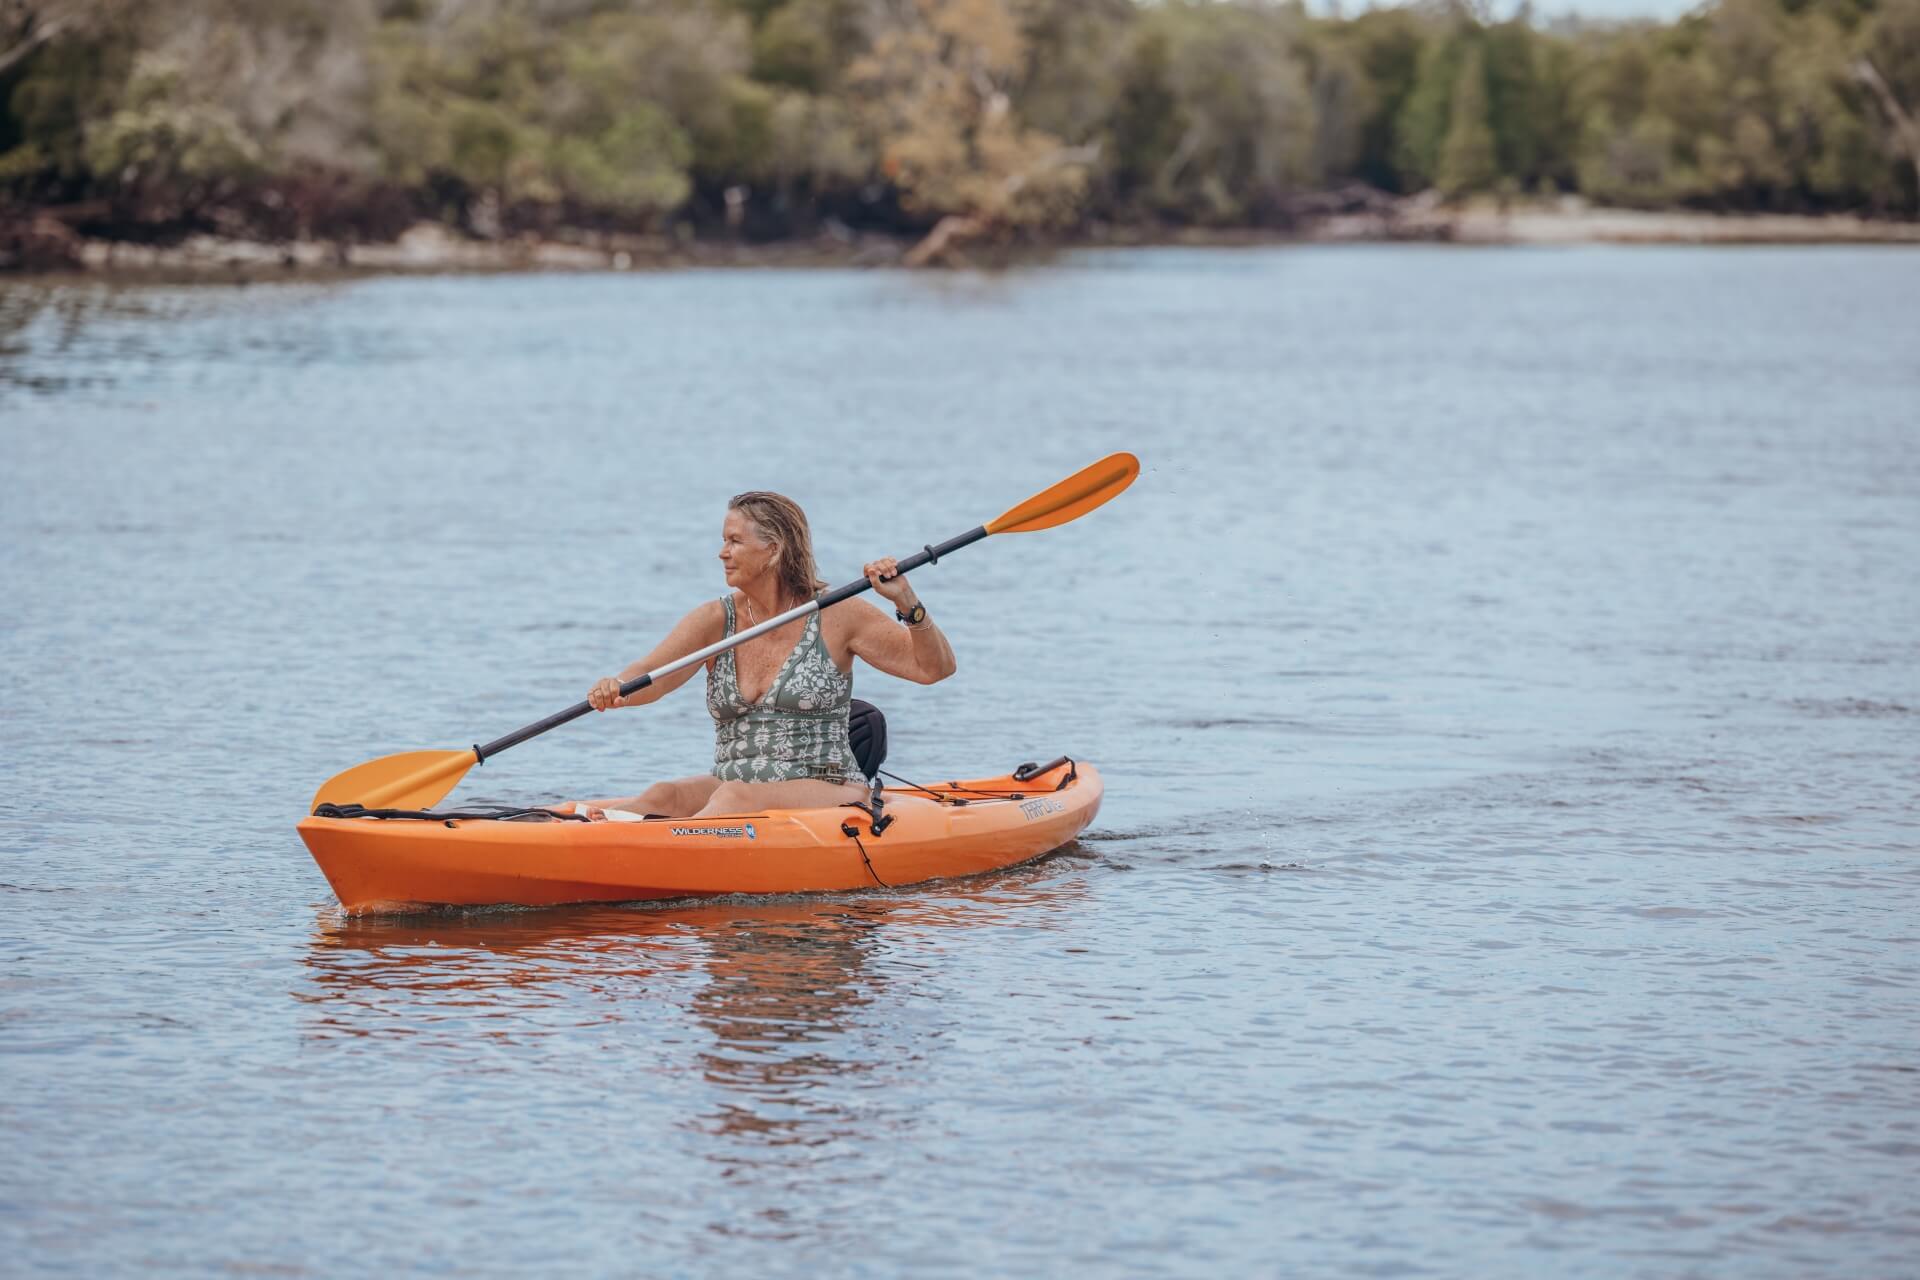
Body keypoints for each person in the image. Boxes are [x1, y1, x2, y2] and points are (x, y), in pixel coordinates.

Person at [578, 491, 956, 818]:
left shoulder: (838, 615)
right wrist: (618, 687)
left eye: (734, 541)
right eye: (724, 541)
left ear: (773, 550)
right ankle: (592, 832)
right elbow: (652, 674)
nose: (722, 553)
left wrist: (906, 601)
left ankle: (669, 849)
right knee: (664, 795)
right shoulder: (715, 620)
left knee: (734, 797)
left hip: (827, 785)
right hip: (732, 782)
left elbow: (933, 669)